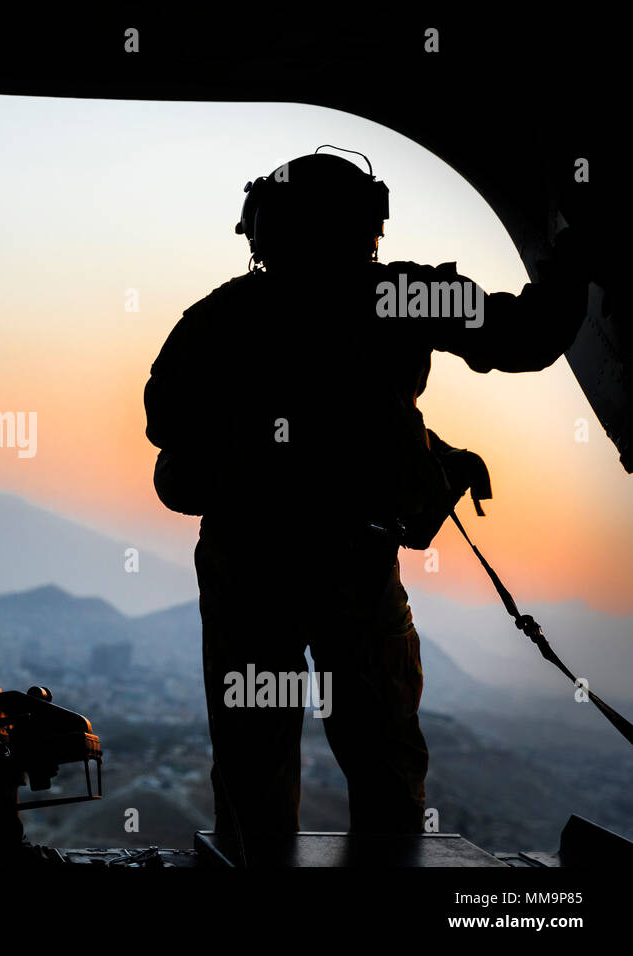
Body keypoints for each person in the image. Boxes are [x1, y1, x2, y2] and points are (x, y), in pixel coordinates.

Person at [143, 150, 586, 849]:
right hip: (354, 560)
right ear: (368, 224)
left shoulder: (223, 317)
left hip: (251, 566)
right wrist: (573, 257)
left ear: (263, 229)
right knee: (383, 765)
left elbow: (164, 423)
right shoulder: (399, 297)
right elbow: (528, 336)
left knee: (254, 766)